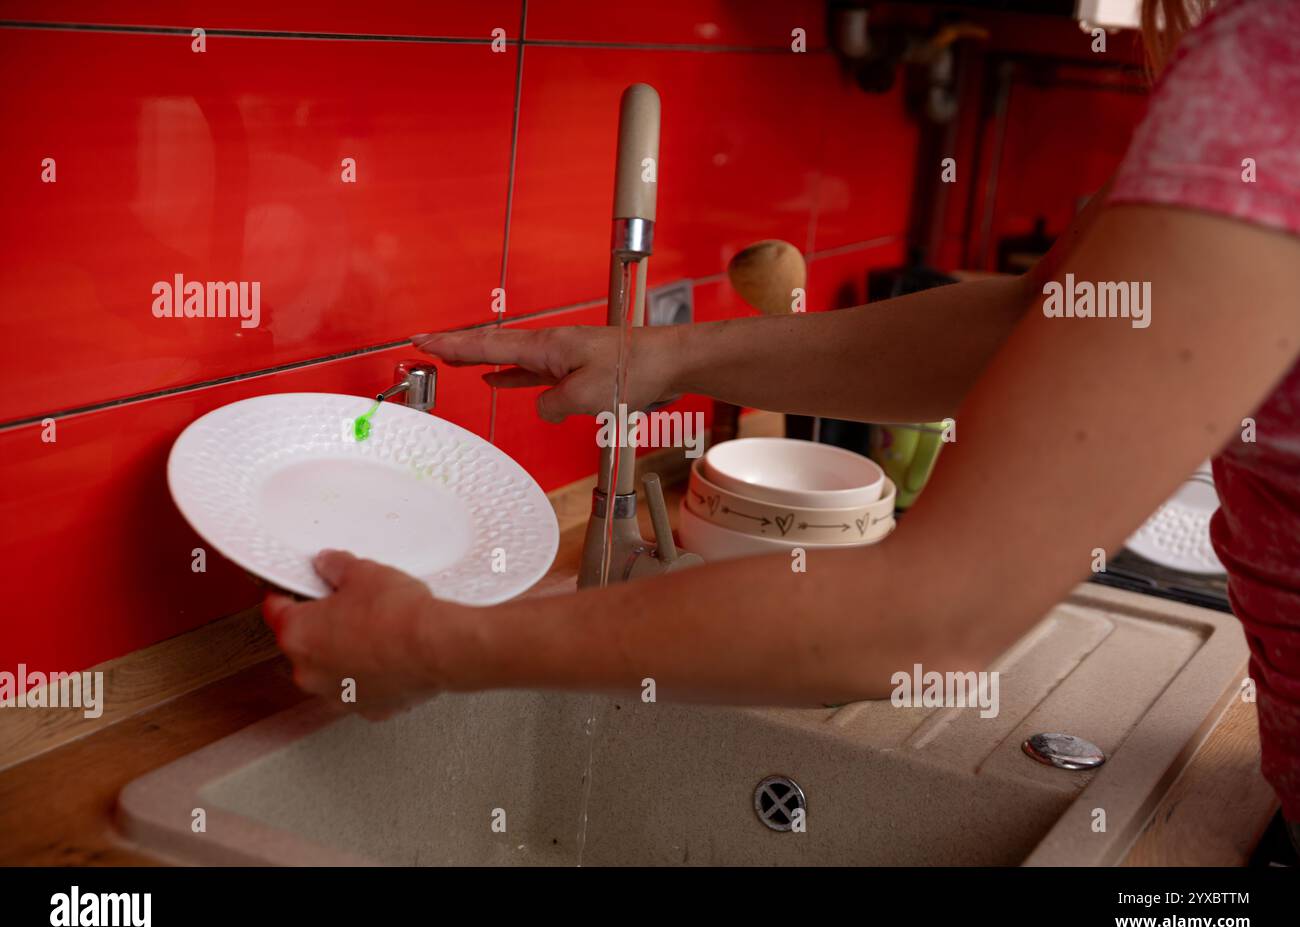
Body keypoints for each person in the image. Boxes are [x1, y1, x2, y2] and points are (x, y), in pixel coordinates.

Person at [265, 0, 1300, 838]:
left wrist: (436, 645)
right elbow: (1042, 324)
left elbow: (924, 621)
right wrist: (657, 356)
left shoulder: (1266, 63)